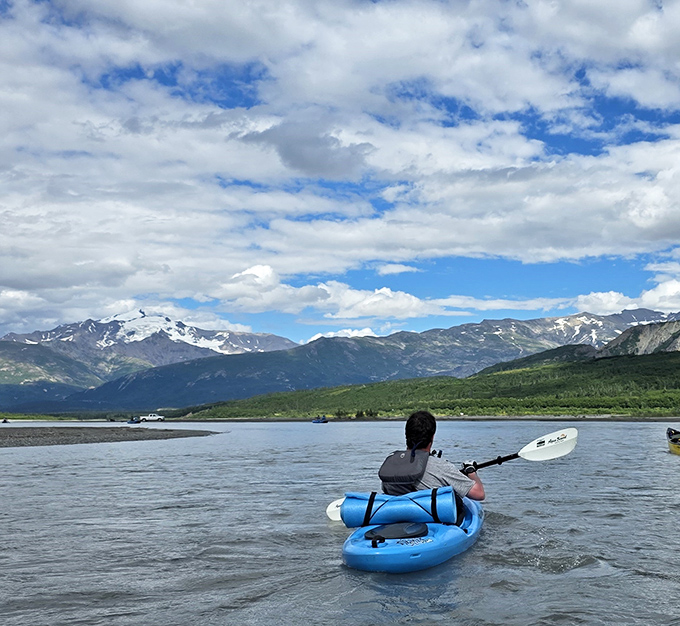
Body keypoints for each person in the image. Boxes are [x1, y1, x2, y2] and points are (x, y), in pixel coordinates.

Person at [379, 410, 485, 501]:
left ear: (406, 435)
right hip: (430, 520)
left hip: (396, 517)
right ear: (432, 437)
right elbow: (479, 494)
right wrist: (471, 472)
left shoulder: (391, 464)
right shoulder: (440, 466)